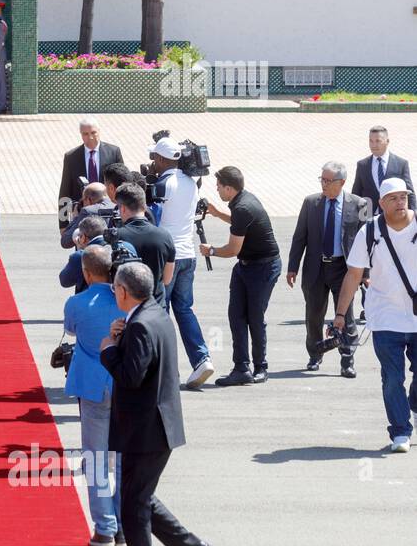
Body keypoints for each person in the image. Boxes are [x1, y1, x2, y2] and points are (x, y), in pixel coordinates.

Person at [98, 262, 212, 546]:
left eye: (115, 288)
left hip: (147, 430)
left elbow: (131, 376)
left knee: (132, 503)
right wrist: (121, 339)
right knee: (139, 497)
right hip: (157, 427)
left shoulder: (140, 325)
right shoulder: (155, 314)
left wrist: (109, 350)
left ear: (123, 291)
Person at [333, 178, 417, 450]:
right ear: (381, 203)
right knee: (392, 378)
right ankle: (400, 432)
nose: (400, 202)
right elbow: (354, 274)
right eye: (393, 198)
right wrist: (340, 314)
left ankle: (414, 404)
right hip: (385, 318)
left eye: (403, 196)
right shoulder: (369, 232)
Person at [62, 245, 125, 546]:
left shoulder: (76, 303)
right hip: (124, 384)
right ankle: (123, 525)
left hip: (92, 385)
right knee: (123, 458)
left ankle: (105, 527)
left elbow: (71, 330)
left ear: (86, 274)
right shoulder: (125, 301)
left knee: (96, 458)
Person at [198, 165, 281, 386]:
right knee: (236, 316)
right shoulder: (241, 201)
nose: (217, 189)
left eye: (219, 186)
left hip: (263, 267)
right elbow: (239, 224)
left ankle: (261, 367)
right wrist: (217, 213)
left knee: (255, 317)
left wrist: (211, 251)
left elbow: (233, 249)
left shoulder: (243, 207)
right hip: (246, 266)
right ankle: (241, 368)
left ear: (229, 188)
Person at [287, 162, 365, 377]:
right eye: (322, 179)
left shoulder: (359, 205)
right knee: (314, 315)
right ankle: (315, 354)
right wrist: (293, 267)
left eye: (328, 181)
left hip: (344, 269)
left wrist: (365, 274)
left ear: (342, 182)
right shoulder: (310, 203)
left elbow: (365, 242)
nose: (324, 184)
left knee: (345, 315)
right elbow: (299, 236)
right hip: (316, 268)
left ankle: (347, 359)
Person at [150, 137, 215, 389]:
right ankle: (202, 359)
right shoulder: (190, 182)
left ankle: (167, 369)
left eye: (154, 158)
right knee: (185, 309)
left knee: (161, 311)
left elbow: (153, 220)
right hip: (188, 255)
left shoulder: (163, 185)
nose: (152, 162)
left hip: (168, 258)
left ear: (162, 159)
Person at [114, 183, 175, 307]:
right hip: (156, 306)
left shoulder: (116, 237)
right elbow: (167, 279)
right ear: (144, 206)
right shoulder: (165, 236)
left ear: (123, 209)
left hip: (127, 309)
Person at [58, 119, 124, 229]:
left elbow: (122, 184)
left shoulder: (113, 152)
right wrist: (63, 224)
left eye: (93, 132)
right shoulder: (71, 157)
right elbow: (65, 192)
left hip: (109, 215)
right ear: (81, 134)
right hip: (82, 217)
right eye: (86, 134)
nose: (91, 137)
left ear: (99, 131)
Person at [351, 125, 414, 211]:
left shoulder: (401, 164)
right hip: (368, 213)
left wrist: (413, 213)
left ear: (387, 141)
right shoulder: (362, 165)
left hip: (393, 213)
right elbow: (356, 193)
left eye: (378, 141)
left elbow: (409, 192)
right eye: (371, 141)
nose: (373, 145)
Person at [60, 183, 117, 250]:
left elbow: (65, 241)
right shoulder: (119, 207)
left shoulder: (88, 211)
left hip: (94, 253)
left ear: (88, 200)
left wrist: (76, 217)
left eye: (83, 200)